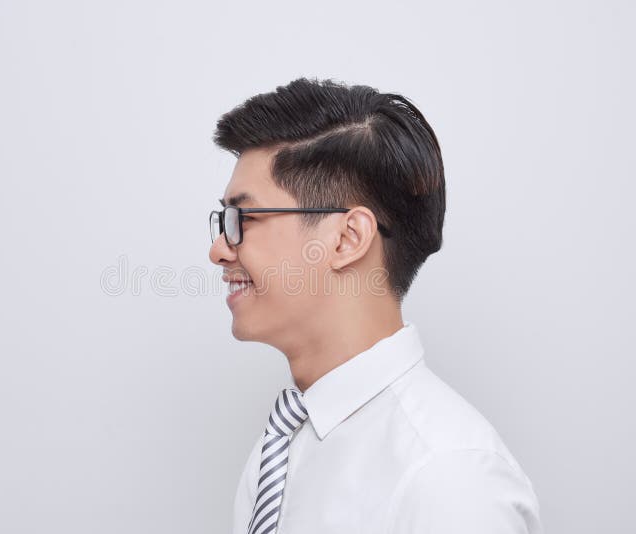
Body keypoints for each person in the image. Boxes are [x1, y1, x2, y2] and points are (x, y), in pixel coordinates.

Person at [207, 77, 543, 534]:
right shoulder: (281, 446)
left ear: (348, 238)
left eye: (243, 218)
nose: (219, 250)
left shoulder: (447, 478)